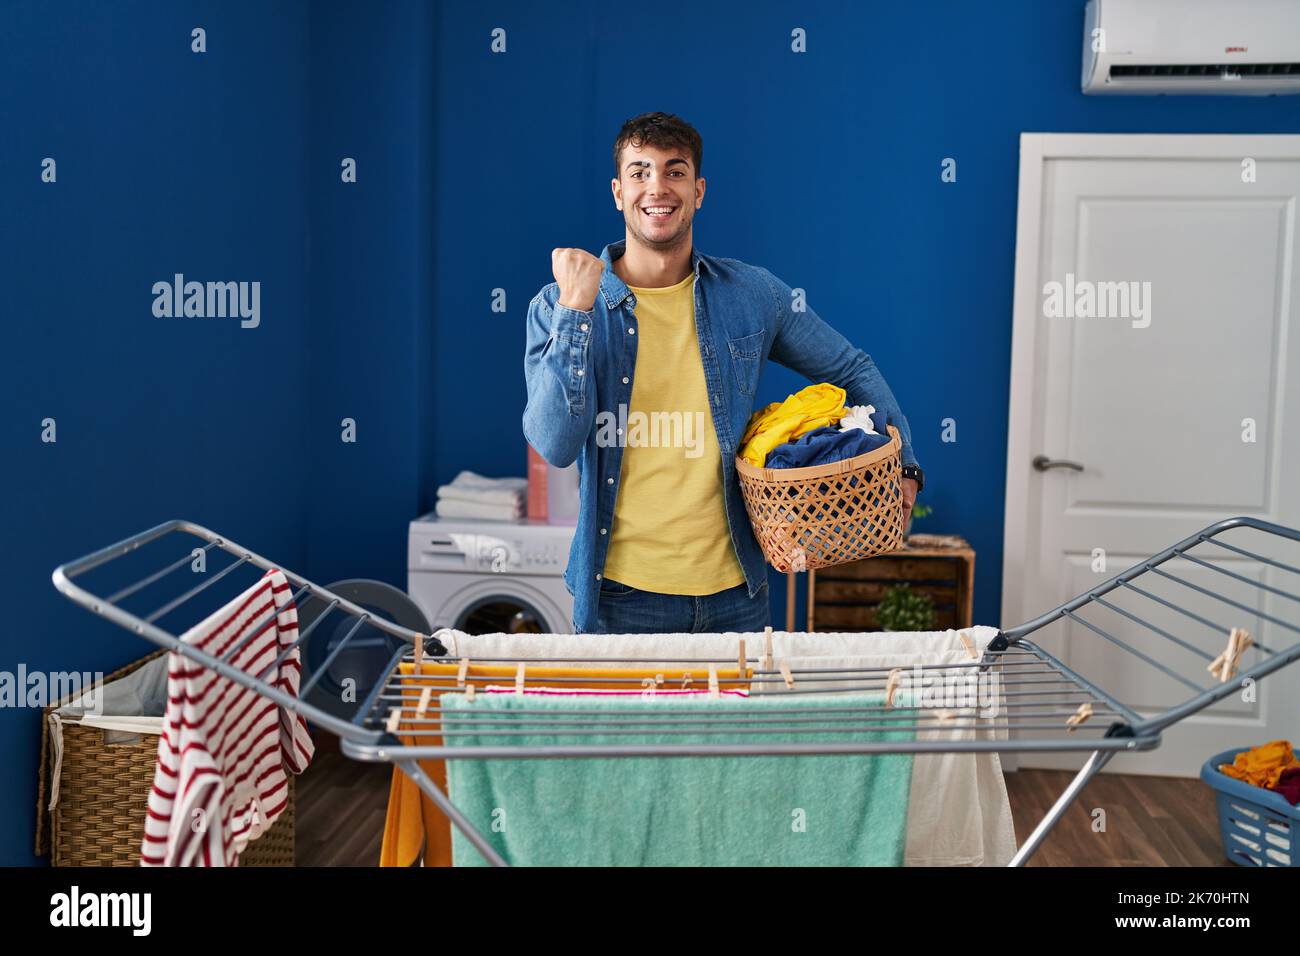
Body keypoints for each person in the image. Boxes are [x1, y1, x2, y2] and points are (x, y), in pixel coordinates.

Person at [523, 111, 922, 634]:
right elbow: (553, 442)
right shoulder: (558, 305)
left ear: (699, 190)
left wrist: (905, 467)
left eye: (674, 171)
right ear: (618, 192)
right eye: (640, 172)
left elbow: (852, 366)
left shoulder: (752, 295)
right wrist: (577, 311)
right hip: (619, 598)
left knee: (735, 723)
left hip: (737, 596)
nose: (657, 187)